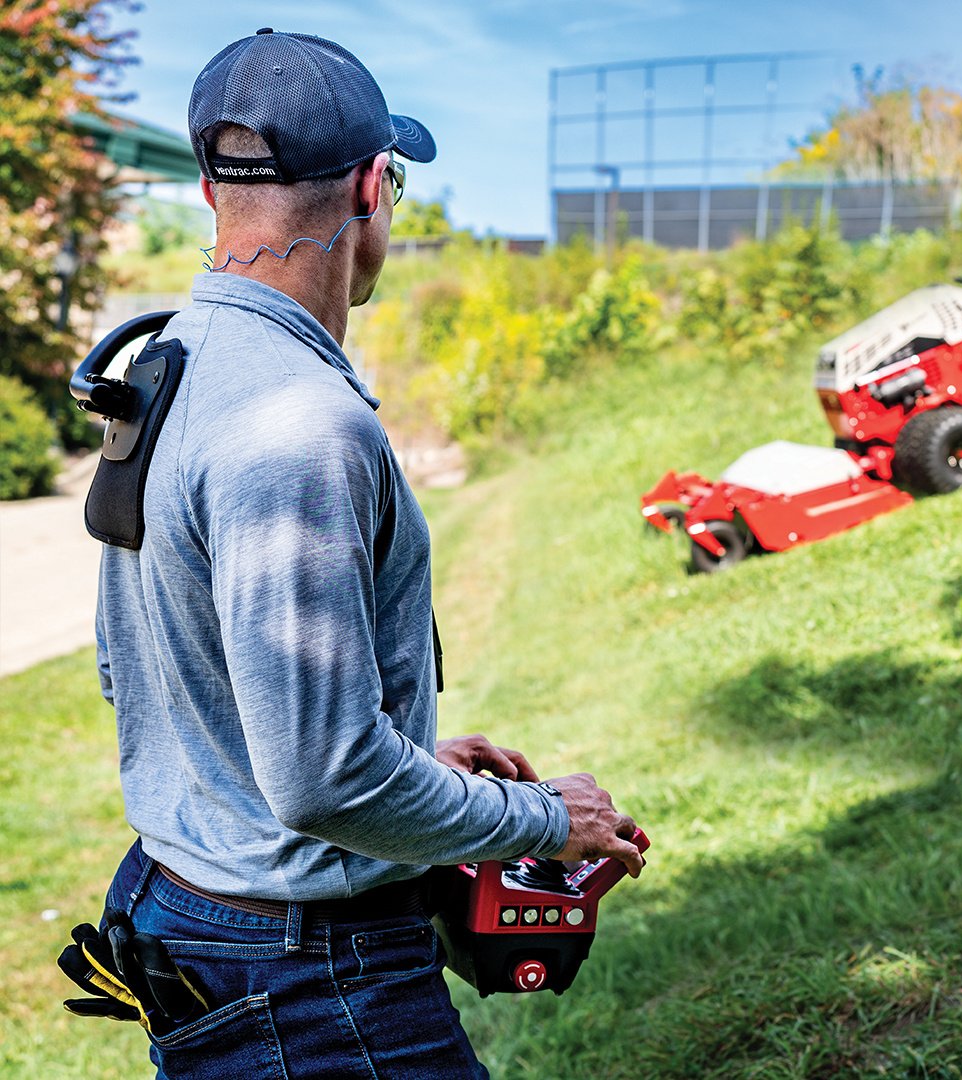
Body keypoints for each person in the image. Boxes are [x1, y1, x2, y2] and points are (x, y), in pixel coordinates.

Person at [60, 30, 643, 1078]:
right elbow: (324, 780)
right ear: (374, 187)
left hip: (191, 905)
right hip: (307, 976)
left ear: (209, 190)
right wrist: (539, 820)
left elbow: (143, 667)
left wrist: (405, 755)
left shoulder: (173, 365)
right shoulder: (300, 424)